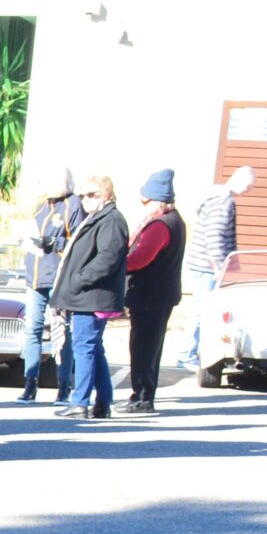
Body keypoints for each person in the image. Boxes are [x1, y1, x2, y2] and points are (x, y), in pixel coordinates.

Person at [49, 176, 129, 420]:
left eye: (91, 194)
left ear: (106, 194)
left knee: (84, 348)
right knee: (94, 348)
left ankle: (80, 401)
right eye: (82, 195)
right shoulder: (97, 218)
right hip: (88, 295)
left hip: (93, 296)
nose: (85, 200)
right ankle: (103, 401)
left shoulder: (112, 219)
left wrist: (79, 279)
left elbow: (108, 258)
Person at [120, 169, 186, 414]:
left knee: (144, 348)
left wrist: (115, 264)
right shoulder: (172, 219)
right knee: (148, 346)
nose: (142, 205)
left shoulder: (160, 224)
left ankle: (142, 397)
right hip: (158, 295)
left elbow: (140, 259)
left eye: (145, 200)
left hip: (150, 295)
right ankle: (143, 395)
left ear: (157, 200)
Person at [21, 168, 86, 404]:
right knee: (33, 330)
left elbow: (79, 241)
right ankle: (30, 384)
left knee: (61, 331)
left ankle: (64, 385)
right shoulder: (41, 208)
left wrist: (55, 242)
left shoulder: (73, 205)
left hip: (58, 277)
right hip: (35, 276)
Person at [180, 166, 251, 369]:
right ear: (238, 180)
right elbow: (214, 236)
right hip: (207, 265)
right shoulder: (223, 201)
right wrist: (219, 265)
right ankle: (187, 354)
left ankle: (191, 352)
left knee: (202, 310)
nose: (249, 189)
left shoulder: (217, 197)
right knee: (202, 311)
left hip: (202, 262)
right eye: (248, 185)